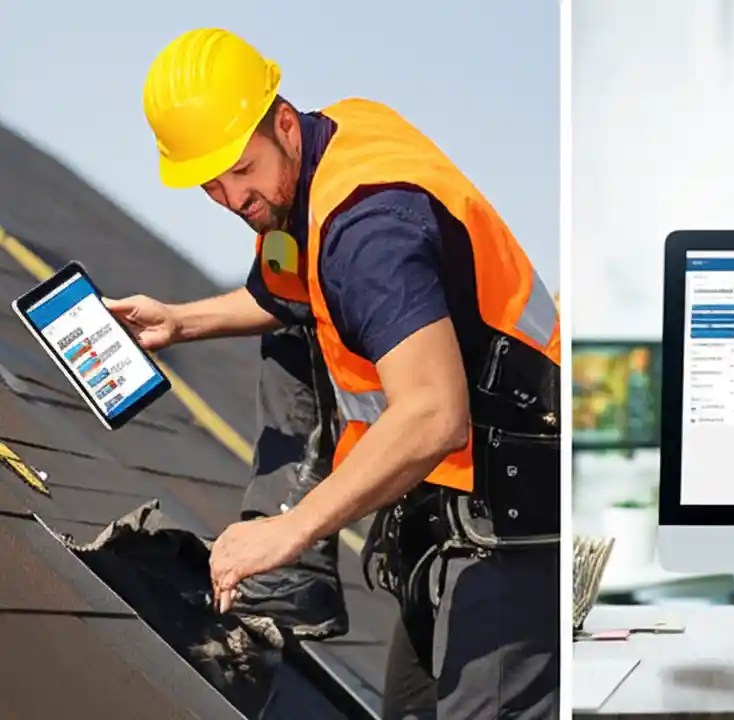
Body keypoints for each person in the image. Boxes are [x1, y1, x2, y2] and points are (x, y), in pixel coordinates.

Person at [111, 27, 561, 719]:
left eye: (241, 170)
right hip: (448, 516)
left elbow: (433, 414)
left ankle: (296, 566)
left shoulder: (366, 230)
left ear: (283, 124)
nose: (233, 199)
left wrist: (288, 530)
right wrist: (181, 321)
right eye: (211, 184)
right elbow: (290, 293)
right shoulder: (328, 149)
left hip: (511, 526)